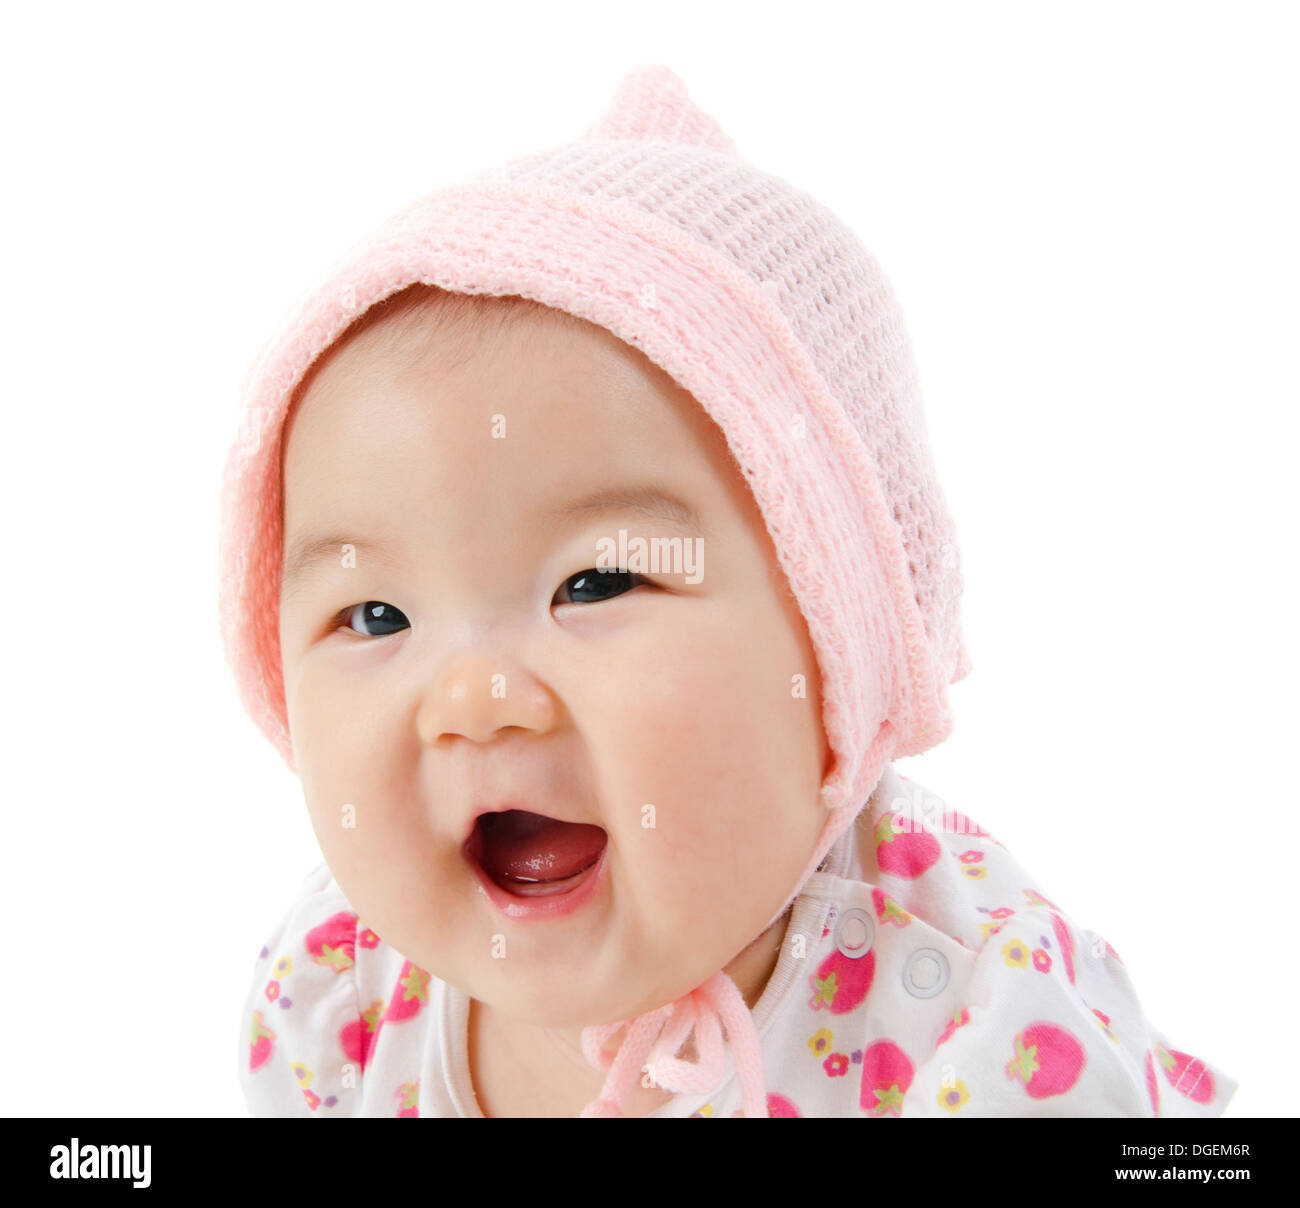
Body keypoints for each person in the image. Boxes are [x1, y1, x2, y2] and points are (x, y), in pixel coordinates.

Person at [222, 63, 1236, 1117]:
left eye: (597, 580)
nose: (476, 696)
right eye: (374, 613)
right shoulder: (335, 997)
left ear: (837, 655)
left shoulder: (981, 1031)